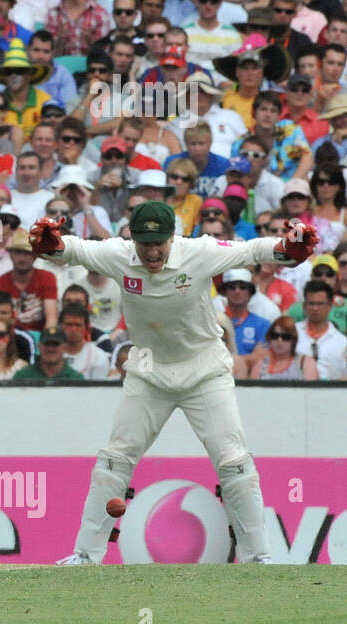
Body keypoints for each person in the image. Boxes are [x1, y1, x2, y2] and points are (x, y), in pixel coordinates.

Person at [29, 200, 320, 565]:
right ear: (132, 238)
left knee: (234, 463)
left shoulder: (198, 252)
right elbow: (75, 249)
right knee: (114, 460)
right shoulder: (119, 255)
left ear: (173, 237)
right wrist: (49, 245)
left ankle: (258, 557)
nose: (152, 252)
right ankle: (86, 556)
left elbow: (251, 249)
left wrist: (286, 249)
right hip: (149, 371)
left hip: (204, 370)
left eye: (159, 243)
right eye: (144, 243)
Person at [14, 326, 87, 380]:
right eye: (46, 344)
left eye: (55, 344)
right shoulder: (23, 377)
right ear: (39, 347)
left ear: (65, 347)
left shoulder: (76, 379)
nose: (50, 349)